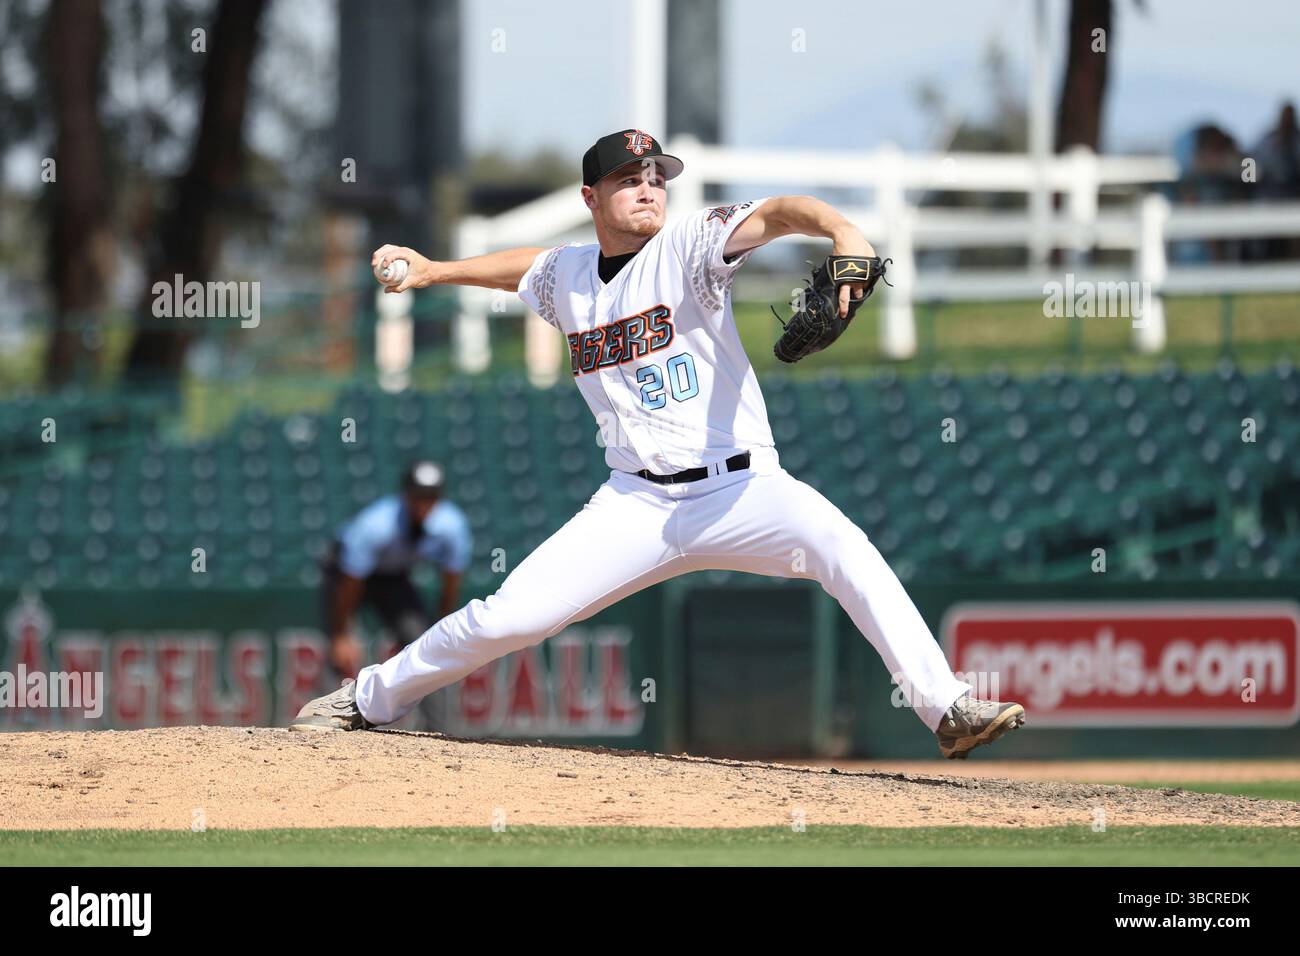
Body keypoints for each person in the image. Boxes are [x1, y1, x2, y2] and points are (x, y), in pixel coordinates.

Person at [293, 128, 1026, 759]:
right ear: (591, 198)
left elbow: (774, 214)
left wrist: (845, 232)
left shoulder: (689, 246)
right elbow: (527, 266)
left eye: (655, 177)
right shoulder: (570, 277)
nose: (648, 187)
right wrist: (436, 270)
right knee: (508, 617)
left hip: (741, 489)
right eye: (627, 178)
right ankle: (368, 701)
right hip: (635, 502)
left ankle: (946, 707)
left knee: (844, 549)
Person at [321, 460, 471, 684]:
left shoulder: (451, 525)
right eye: (418, 496)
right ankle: (326, 713)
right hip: (344, 576)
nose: (424, 504)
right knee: (340, 649)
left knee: (425, 644)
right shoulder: (376, 525)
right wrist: (341, 633)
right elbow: (351, 581)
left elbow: (451, 580)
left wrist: (441, 624)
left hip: (393, 577)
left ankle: (439, 720)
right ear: (406, 494)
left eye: (430, 497)